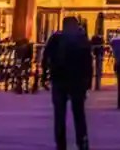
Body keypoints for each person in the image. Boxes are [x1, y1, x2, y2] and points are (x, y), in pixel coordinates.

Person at [44, 17, 93, 150]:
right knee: (79, 113)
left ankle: (60, 143)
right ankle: (82, 141)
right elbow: (88, 62)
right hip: (77, 81)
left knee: (59, 114)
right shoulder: (82, 40)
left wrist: (44, 76)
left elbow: (45, 57)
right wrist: (88, 81)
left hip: (59, 80)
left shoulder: (55, 38)